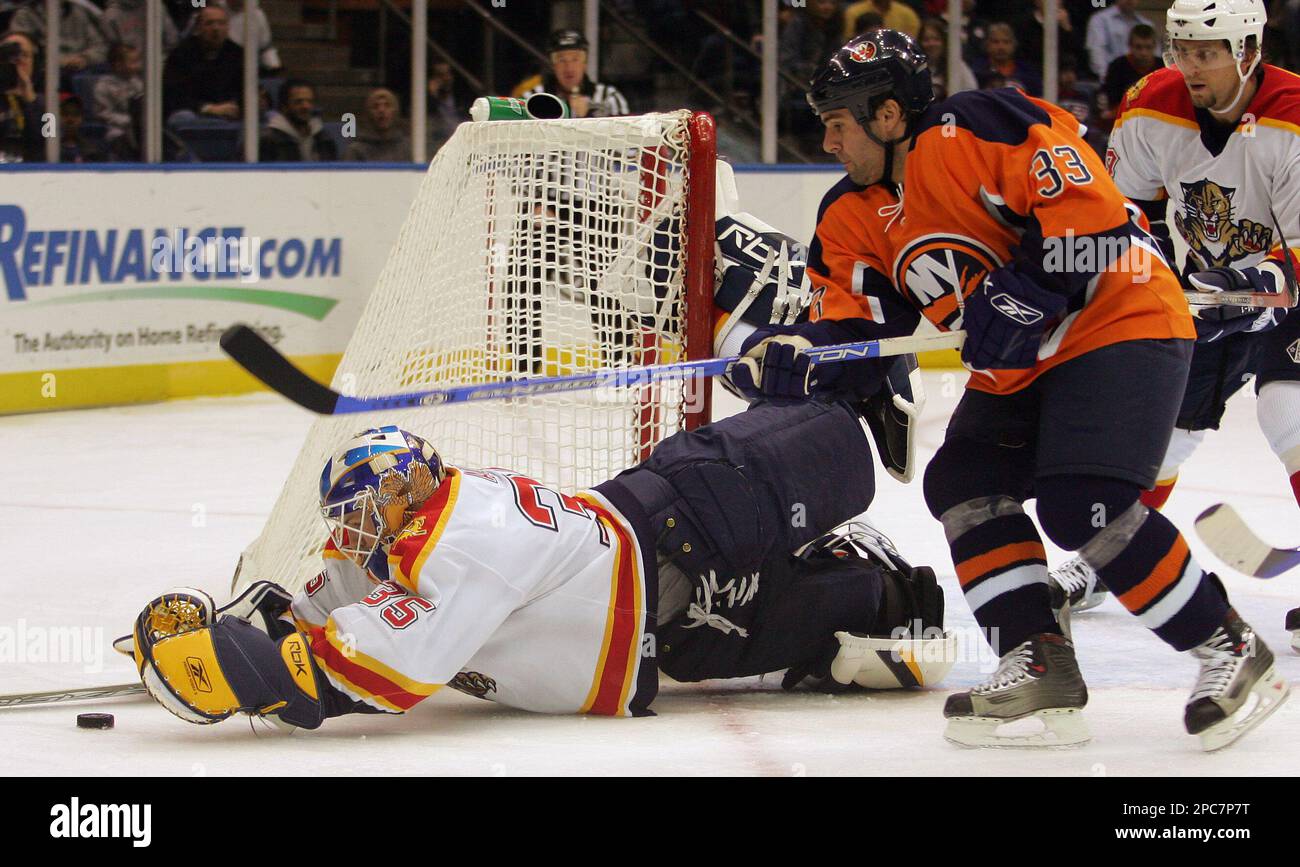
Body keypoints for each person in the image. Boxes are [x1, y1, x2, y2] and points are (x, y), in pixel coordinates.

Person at [729, 29, 1289, 750]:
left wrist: (1024, 292)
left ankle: (1229, 645)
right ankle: (1040, 658)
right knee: (963, 479)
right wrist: (799, 355)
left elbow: (1096, 217)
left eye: (839, 123)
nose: (830, 141)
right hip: (1024, 364)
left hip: (1120, 319)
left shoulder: (982, 126)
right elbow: (859, 335)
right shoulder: (847, 218)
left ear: (889, 115)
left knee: (1082, 501)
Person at [123, 404, 954, 728]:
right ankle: (869, 588)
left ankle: (867, 576)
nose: (356, 533)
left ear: (406, 493)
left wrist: (238, 672)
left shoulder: (460, 540)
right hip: (651, 601)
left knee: (840, 478)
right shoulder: (427, 521)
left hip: (674, 558)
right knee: (796, 631)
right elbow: (327, 594)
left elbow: (370, 671)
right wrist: (244, 617)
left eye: (365, 513)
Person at [1054, 0, 1300, 651]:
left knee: (1288, 409)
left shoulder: (1294, 117)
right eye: (1182, 48)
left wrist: (1247, 287)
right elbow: (1123, 214)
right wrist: (1121, 276)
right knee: (1164, 431)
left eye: (1207, 51)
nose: (1189, 64)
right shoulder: (1149, 105)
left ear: (1247, 50)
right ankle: (1111, 556)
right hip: (1203, 293)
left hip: (1284, 291)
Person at [521, 29, 628, 119]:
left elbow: (625, 140)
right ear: (553, 65)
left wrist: (588, 116)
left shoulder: (609, 98)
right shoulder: (531, 98)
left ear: (585, 63)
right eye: (562, 60)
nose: (569, 68)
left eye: (575, 59)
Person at [162, 3, 241, 124]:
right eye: (209, 23)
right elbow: (173, 95)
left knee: (269, 117)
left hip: (230, 114)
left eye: (221, 23)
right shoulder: (181, 54)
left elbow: (245, 90)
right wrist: (208, 108)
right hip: (195, 114)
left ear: (228, 27)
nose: (216, 28)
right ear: (198, 28)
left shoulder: (238, 53)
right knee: (182, 118)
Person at [1099, 22, 1163, 131]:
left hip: (1157, 119)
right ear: (1130, 46)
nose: (1144, 52)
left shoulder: (1163, 67)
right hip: (1124, 119)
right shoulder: (1117, 66)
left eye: (1148, 47)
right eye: (1139, 47)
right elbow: (1111, 102)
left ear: (1155, 47)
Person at [259, 79, 336, 161]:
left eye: (310, 101)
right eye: (298, 102)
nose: (306, 106)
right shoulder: (268, 142)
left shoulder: (324, 140)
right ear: (284, 107)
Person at [94, 41, 143, 160]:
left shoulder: (138, 83)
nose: (137, 65)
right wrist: (126, 121)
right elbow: (102, 113)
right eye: (133, 62)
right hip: (115, 128)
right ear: (118, 64)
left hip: (137, 128)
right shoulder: (104, 85)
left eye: (137, 61)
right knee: (119, 138)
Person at [970, 21, 1042, 96]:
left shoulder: (1027, 72)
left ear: (1014, 45)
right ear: (987, 45)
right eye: (995, 42)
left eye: (1006, 42)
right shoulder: (976, 71)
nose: (1001, 47)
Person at [0, 29, 40, 162]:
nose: (18, 61)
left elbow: (50, 139)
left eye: (25, 55)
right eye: (9, 56)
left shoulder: (48, 106)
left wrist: (31, 101)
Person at [1086, 0, 1152, 79]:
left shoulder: (1146, 24)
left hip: (1142, 80)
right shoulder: (1100, 20)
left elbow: (1155, 56)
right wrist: (1109, 79)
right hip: (1110, 80)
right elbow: (1097, 54)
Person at [343, 87, 409, 162]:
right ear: (368, 114)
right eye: (375, 106)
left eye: (387, 105)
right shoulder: (355, 151)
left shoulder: (408, 148)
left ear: (395, 112)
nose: (381, 110)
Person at [919, 16, 976, 99]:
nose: (931, 44)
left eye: (936, 39)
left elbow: (971, 91)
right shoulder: (916, 67)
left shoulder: (957, 65)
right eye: (926, 40)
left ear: (944, 42)